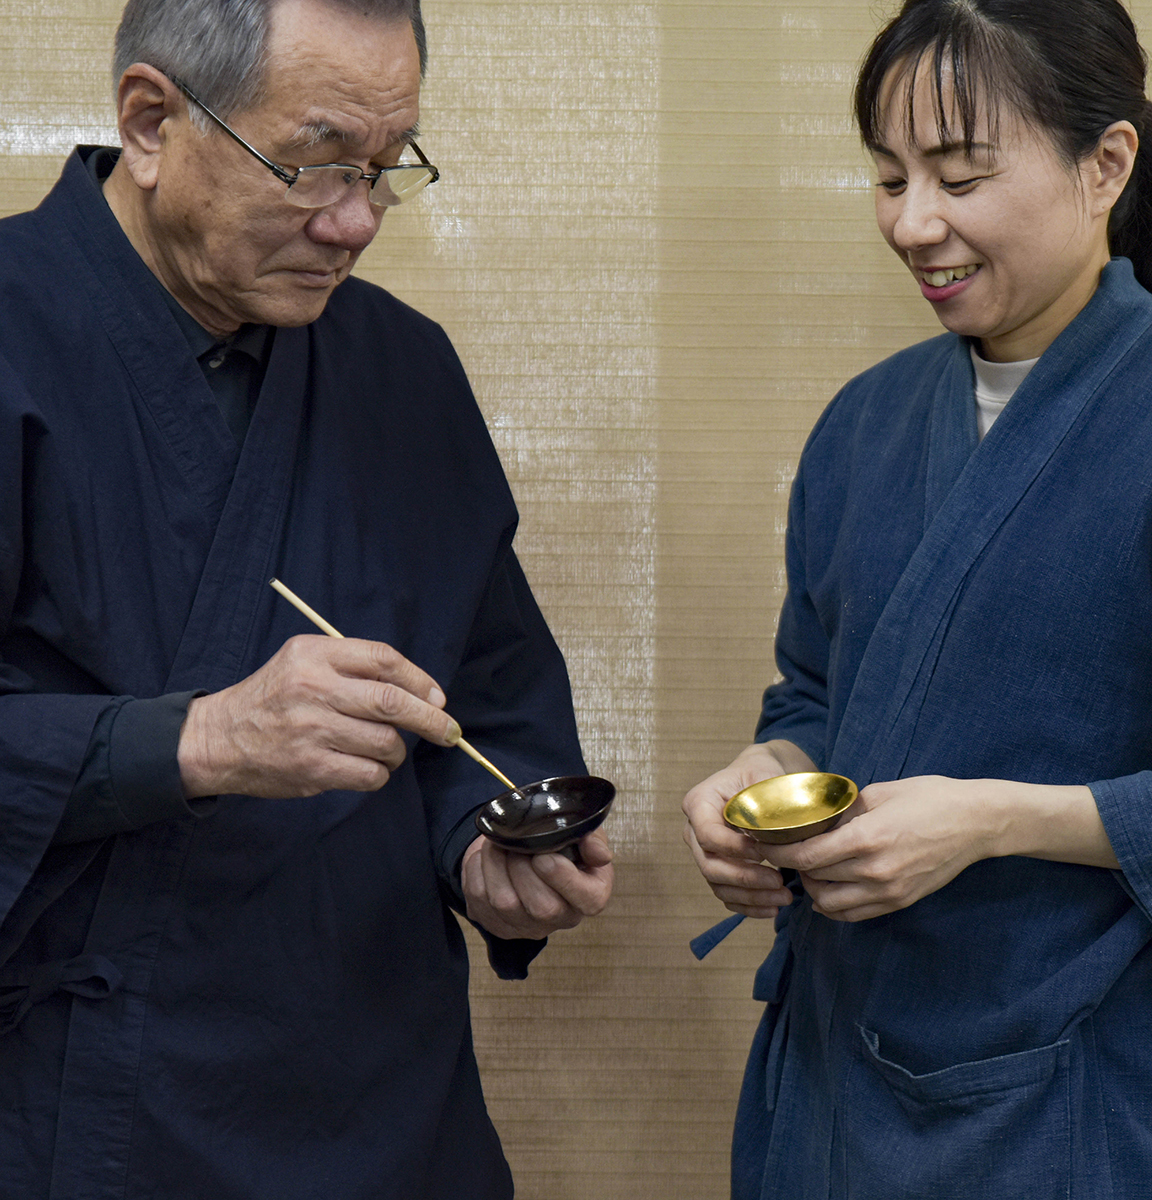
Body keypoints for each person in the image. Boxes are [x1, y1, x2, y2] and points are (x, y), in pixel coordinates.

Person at [0, 0, 613, 1195]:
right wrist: (198, 739)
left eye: (387, 169)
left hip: (383, 1090)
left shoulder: (403, 367)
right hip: (96, 1099)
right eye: (317, 163)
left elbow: (485, 699)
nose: (355, 221)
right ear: (150, 120)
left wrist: (488, 856)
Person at [683, 1, 1152, 1196]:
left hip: (1063, 1094)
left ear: (1107, 164)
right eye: (889, 178)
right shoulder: (863, 423)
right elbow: (817, 689)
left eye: (960, 174)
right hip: (829, 1074)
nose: (912, 222)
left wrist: (996, 820)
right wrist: (761, 769)